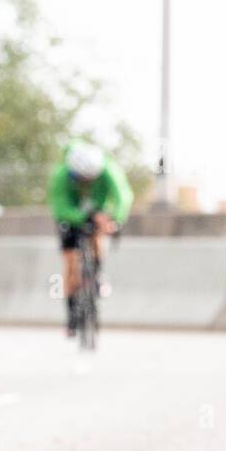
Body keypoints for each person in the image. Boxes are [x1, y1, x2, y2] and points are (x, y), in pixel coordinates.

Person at [48, 140, 133, 335]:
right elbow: (59, 207)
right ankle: (71, 316)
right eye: (81, 179)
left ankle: (97, 273)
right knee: (70, 263)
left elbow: (123, 196)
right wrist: (81, 217)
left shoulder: (108, 169)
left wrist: (117, 220)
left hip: (98, 211)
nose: (86, 183)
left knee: (98, 231)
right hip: (70, 214)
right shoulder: (61, 175)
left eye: (91, 179)